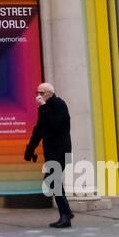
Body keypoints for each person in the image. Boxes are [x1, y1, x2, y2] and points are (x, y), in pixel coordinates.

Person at [25, 82, 73, 228]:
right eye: (37, 93)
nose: (38, 96)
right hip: (52, 152)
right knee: (54, 181)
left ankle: (66, 214)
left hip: (62, 151)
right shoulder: (44, 109)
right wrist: (30, 149)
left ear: (49, 93)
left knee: (52, 180)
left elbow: (55, 124)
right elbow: (39, 129)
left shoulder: (59, 104)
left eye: (41, 93)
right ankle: (66, 214)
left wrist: (43, 107)